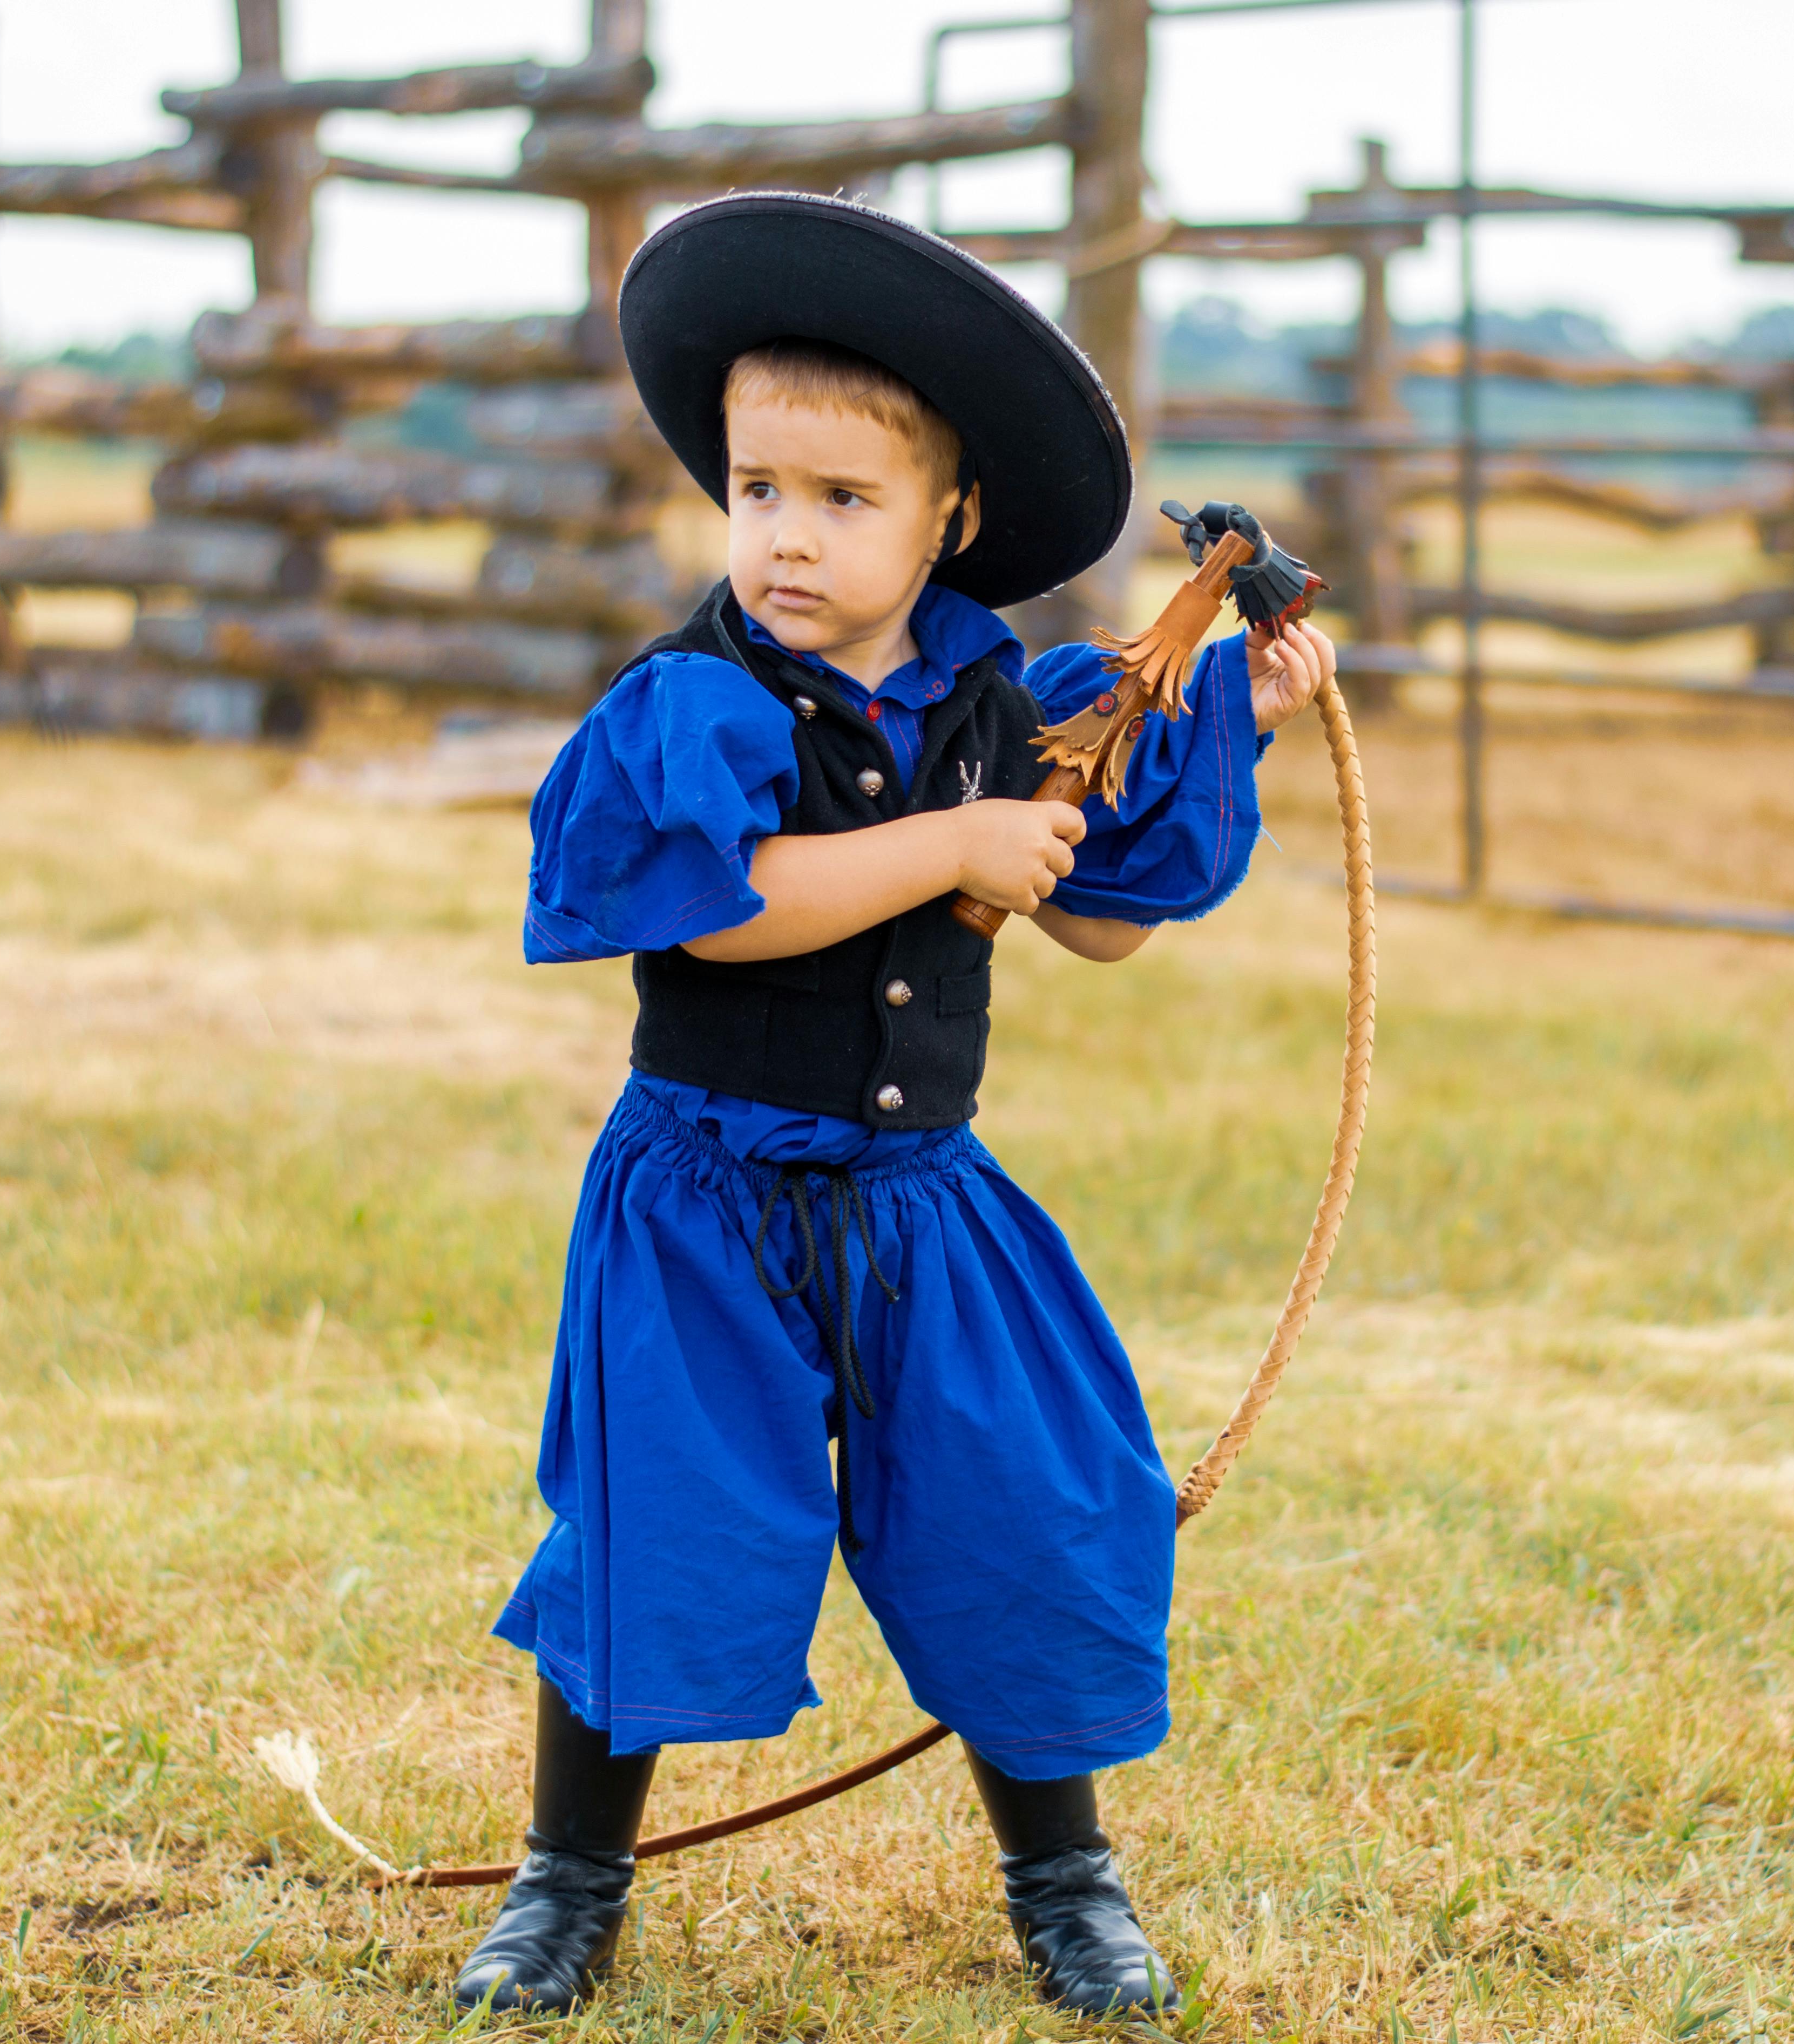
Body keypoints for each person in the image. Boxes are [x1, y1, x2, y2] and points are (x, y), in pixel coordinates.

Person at [454, 193, 1338, 2021]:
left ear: (951, 521)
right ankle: (564, 1885)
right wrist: (946, 841)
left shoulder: (1000, 706)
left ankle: (1067, 1879)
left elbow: (1090, 920)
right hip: (706, 1198)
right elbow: (729, 900)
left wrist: (1231, 714)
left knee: (1025, 1505)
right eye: (757, 488)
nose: (785, 535)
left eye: (842, 501)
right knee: (661, 1525)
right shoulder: (696, 702)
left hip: (922, 1200)